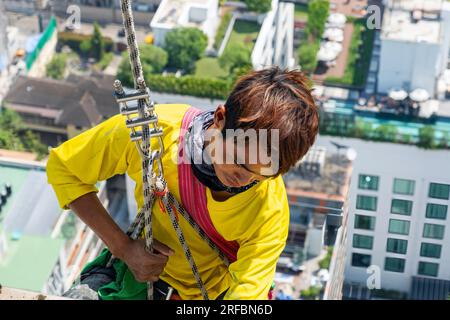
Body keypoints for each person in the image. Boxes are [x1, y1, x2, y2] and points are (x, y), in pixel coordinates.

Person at [46, 66, 319, 300]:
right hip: (137, 279)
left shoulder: (268, 209)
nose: (243, 178)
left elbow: (247, 294)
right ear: (220, 119)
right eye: (237, 158)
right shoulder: (158, 133)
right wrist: (123, 247)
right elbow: (65, 168)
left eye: (261, 174)